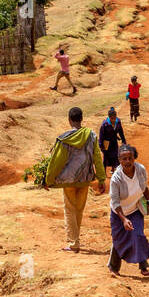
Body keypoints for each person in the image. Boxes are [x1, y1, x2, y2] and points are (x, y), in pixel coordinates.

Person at [45, 106, 106, 253]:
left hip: (69, 181)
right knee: (79, 209)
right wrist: (102, 179)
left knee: (70, 210)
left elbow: (56, 161)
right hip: (85, 179)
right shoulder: (91, 136)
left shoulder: (65, 138)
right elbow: (97, 158)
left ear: (69, 120)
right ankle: (75, 240)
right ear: (82, 119)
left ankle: (74, 243)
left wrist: (48, 179)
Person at [108, 144, 149, 277]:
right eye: (124, 159)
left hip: (135, 209)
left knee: (138, 234)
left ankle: (143, 265)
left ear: (134, 158)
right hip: (119, 212)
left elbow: (144, 187)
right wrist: (123, 219)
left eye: (130, 158)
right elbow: (115, 202)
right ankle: (113, 266)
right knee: (119, 239)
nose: (127, 161)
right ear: (119, 160)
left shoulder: (140, 170)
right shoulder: (116, 179)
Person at [99, 107, 126, 174]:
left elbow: (120, 131)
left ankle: (113, 170)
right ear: (109, 117)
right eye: (112, 118)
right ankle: (103, 172)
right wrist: (101, 145)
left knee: (115, 156)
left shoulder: (118, 122)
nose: (113, 120)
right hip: (106, 143)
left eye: (115, 118)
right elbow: (101, 135)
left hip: (114, 141)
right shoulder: (104, 124)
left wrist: (123, 140)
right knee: (106, 157)